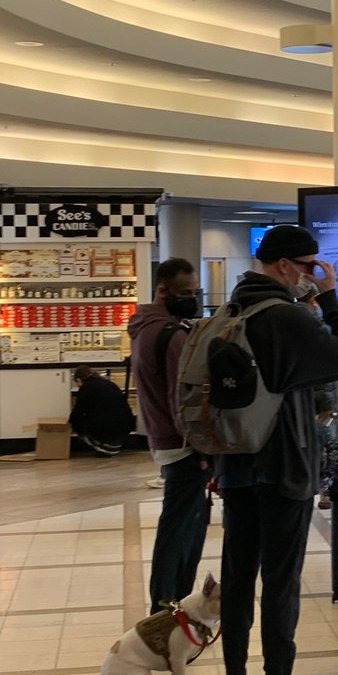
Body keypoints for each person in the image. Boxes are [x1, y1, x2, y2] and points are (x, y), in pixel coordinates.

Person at [216, 226, 338, 675]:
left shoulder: (229, 310)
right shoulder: (284, 316)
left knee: (237, 577)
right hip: (283, 465)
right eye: (308, 265)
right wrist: (332, 298)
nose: (311, 274)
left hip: (235, 464)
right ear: (284, 265)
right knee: (280, 581)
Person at [129, 258, 209, 612]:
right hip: (182, 445)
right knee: (181, 529)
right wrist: (202, 446)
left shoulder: (143, 328)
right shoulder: (173, 336)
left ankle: (169, 602)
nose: (191, 299)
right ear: (163, 290)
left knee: (181, 523)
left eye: (194, 293)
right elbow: (184, 401)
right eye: (185, 293)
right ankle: (166, 606)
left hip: (162, 438)